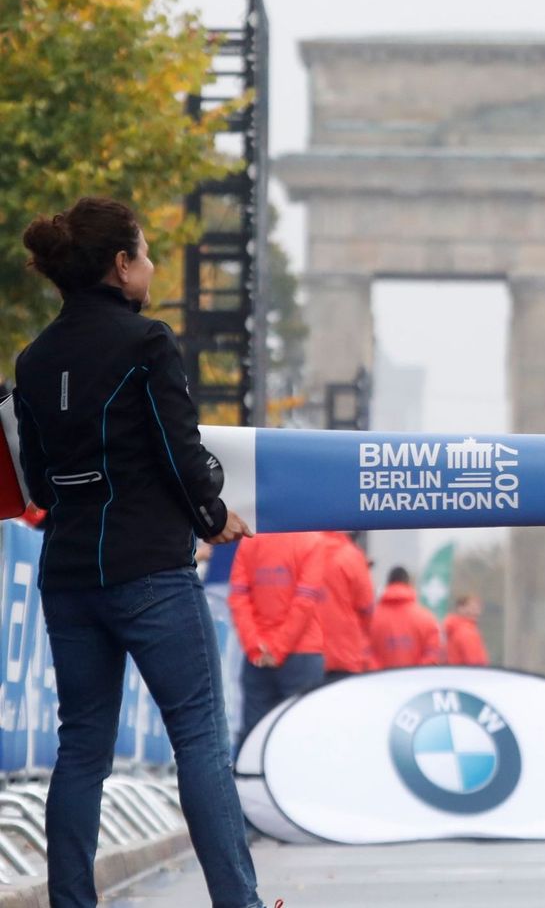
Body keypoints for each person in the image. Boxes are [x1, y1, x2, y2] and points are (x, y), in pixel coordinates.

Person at [11, 197, 264, 908]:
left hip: (68, 578)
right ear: (121, 267)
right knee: (199, 740)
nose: (152, 266)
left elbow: (36, 480)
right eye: (146, 254)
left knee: (81, 746)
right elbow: (183, 453)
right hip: (150, 570)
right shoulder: (147, 342)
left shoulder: (32, 361)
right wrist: (213, 513)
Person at [226, 532, 327, 744]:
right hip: (301, 654)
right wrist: (278, 648)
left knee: (255, 739)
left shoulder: (250, 542)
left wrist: (255, 646)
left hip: (258, 657)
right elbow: (305, 600)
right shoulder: (312, 541)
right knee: (303, 735)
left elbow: (238, 597)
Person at [316, 531, 375, 683]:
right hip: (344, 654)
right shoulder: (352, 556)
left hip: (307, 653)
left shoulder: (304, 549)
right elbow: (367, 607)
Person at [369, 566, 443, 668]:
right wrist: (414, 676)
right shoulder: (427, 618)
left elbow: (365, 652)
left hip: (378, 681)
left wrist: (379, 674)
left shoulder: (370, 618)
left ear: (388, 584)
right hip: (416, 682)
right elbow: (433, 653)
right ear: (409, 584)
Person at [444, 594, 490, 666]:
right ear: (461, 609)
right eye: (473, 608)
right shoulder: (466, 632)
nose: (477, 612)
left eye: (478, 608)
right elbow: (474, 663)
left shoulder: (455, 629)